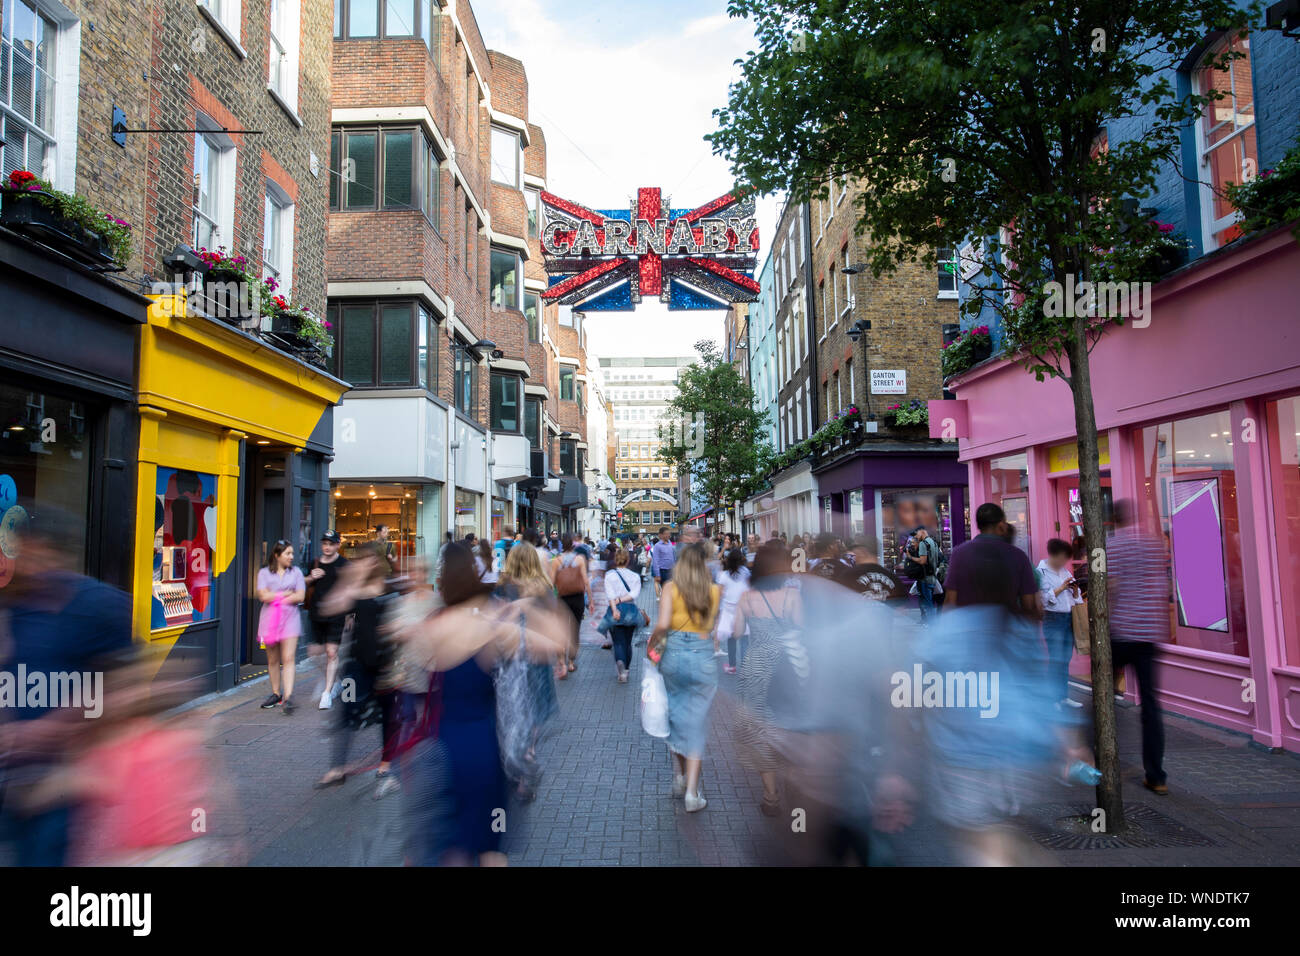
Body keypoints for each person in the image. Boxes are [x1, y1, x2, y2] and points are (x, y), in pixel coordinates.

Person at [412, 543, 565, 864]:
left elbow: (411, 688)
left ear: (442, 580)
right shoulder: (491, 627)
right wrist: (530, 606)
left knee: (447, 843)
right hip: (485, 751)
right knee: (491, 844)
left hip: (439, 750)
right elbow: (554, 645)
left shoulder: (430, 627)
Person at [0, 506, 132, 866]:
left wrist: (53, 727)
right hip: (13, 784)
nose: (20, 556)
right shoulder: (14, 604)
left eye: (27, 547)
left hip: (68, 787)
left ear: (53, 550)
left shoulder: (101, 606)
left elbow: (123, 687)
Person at [314, 552, 402, 794]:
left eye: (367, 560)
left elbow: (400, 622)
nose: (363, 564)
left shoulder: (390, 589)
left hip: (386, 665)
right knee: (346, 712)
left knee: (388, 715)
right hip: (357, 665)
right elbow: (327, 608)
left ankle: (386, 763)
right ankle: (337, 769)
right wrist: (347, 581)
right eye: (361, 561)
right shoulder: (355, 591)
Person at [729, 541, 804, 816]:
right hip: (789, 665)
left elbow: (736, 633)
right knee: (791, 723)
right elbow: (801, 629)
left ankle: (770, 795)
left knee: (758, 728)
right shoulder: (792, 595)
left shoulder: (747, 597)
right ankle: (794, 784)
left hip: (757, 665)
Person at [648, 542, 720, 812]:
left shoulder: (670, 588)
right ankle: (692, 792)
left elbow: (663, 625)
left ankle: (679, 777)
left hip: (674, 654)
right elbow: (712, 627)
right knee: (696, 723)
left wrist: (653, 645)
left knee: (676, 716)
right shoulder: (714, 591)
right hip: (702, 656)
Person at [1106, 500, 1172, 795]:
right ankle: (1156, 775)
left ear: (1112, 520)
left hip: (1120, 632)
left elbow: (1112, 586)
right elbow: (1162, 586)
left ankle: (1101, 758)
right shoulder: (1152, 544)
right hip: (1149, 633)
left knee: (1103, 697)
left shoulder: (1113, 545)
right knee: (1150, 705)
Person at [942, 503, 1040, 620]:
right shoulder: (1018, 556)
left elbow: (950, 600)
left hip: (969, 631)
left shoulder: (959, 554)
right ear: (1001, 525)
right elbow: (1029, 605)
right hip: (1006, 631)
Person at [257, 540, 307, 714]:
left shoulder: (297, 573)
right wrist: (286, 593)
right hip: (269, 621)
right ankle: (276, 693)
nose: (292, 557)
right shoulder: (264, 573)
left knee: (288, 657)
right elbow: (263, 595)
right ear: (277, 556)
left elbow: (300, 596)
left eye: (292, 553)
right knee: (272, 660)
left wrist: (276, 597)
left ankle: (289, 696)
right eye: (288, 553)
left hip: (290, 620)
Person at [1037, 538, 1083, 709]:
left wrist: (1075, 590)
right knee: (1056, 660)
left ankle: (1063, 696)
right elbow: (1045, 600)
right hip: (1053, 619)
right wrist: (1062, 588)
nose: (1065, 561)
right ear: (1054, 555)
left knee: (1065, 660)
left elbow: (1076, 600)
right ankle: (1052, 699)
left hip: (1068, 619)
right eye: (1063, 557)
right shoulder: (1041, 572)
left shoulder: (1065, 572)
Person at [306, 530, 349, 709]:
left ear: (338, 545)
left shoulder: (344, 564)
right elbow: (303, 584)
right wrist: (310, 577)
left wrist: (351, 615)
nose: (327, 547)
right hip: (316, 614)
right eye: (325, 543)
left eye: (331, 544)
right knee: (315, 654)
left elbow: (350, 591)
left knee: (332, 652)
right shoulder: (314, 563)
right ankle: (334, 681)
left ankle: (327, 692)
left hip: (337, 616)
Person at [551, 533, 591, 677]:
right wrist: (590, 601)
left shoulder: (556, 561)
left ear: (562, 545)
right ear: (573, 545)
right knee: (575, 630)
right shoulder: (579, 559)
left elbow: (551, 582)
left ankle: (561, 659)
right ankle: (571, 662)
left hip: (562, 598)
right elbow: (586, 581)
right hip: (578, 598)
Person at [604, 548, 642, 682]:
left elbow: (610, 595)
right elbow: (634, 594)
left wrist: (615, 609)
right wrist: (623, 599)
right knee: (628, 642)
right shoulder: (635, 576)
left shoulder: (609, 576)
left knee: (618, 641)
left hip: (615, 610)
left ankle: (620, 664)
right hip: (631, 610)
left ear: (615, 560)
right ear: (628, 560)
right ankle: (626, 670)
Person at [834, 537, 908, 606]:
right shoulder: (893, 578)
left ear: (862, 552)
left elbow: (837, 604)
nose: (854, 554)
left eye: (855, 551)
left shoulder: (848, 576)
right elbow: (901, 609)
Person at [715, 547, 752, 675]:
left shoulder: (724, 575)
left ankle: (732, 666)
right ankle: (746, 666)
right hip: (742, 609)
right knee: (744, 637)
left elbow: (720, 593)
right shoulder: (746, 572)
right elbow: (749, 589)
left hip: (729, 609)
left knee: (731, 638)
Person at [906, 526, 942, 623]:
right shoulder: (934, 543)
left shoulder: (923, 543)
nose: (916, 537)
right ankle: (931, 622)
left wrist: (910, 557)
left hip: (925, 577)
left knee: (927, 602)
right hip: (933, 577)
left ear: (921, 532)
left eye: (917, 534)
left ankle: (931, 623)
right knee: (929, 601)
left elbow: (922, 561)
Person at [651, 526, 676, 597]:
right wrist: (657, 574)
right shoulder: (657, 546)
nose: (668, 535)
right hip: (663, 571)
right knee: (667, 591)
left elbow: (673, 557)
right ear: (660, 535)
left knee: (672, 590)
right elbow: (655, 560)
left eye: (669, 534)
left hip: (671, 570)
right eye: (666, 534)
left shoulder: (670, 543)